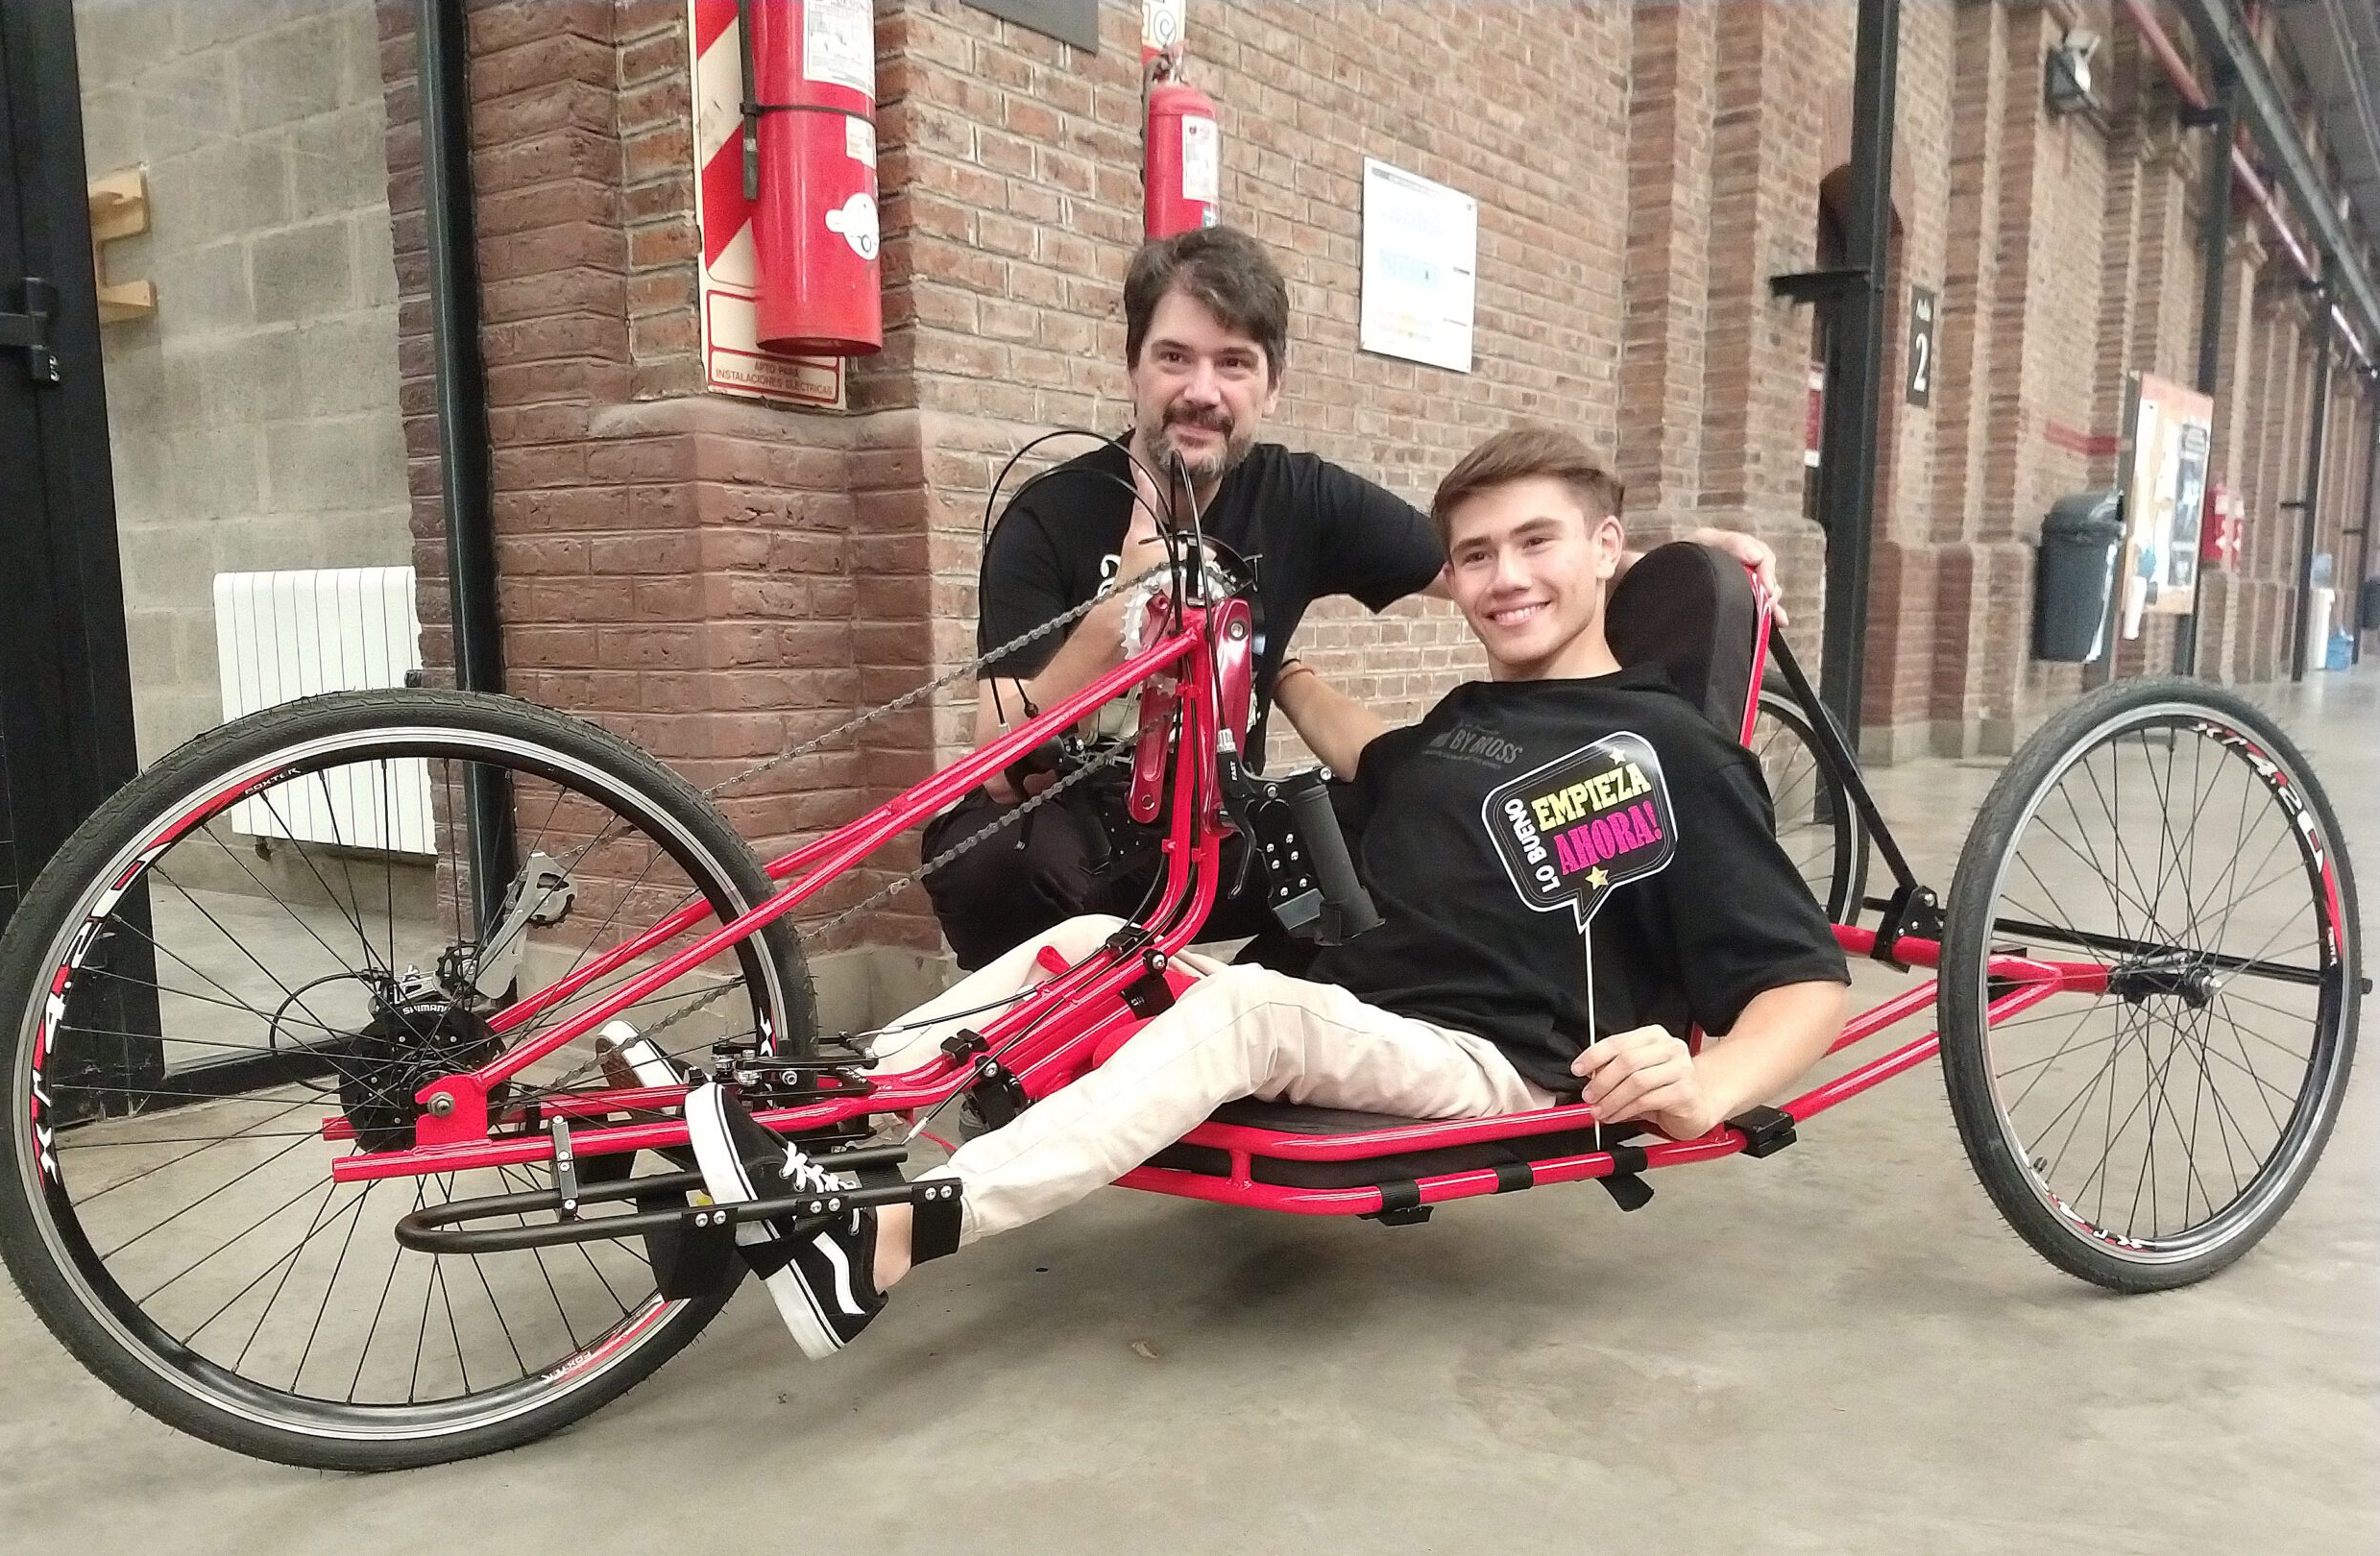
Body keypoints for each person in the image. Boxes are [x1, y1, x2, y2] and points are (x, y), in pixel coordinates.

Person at [689, 424, 1852, 1359]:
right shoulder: (1464, 725)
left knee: (1248, 1009)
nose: (1505, 580)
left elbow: (1803, 981)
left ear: (1607, 550)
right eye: (1479, 555)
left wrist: (1704, 1085)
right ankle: (809, 1122)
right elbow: (1362, 746)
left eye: (1536, 543)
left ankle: (886, 1237)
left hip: (1494, 1050)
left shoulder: (1670, 752)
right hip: (1356, 1011)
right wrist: (1278, 660)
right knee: (1095, 940)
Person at [920, 224, 1785, 970]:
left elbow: (1481, 571)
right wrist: (1108, 633)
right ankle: (1026, 1058)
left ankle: (1256, 1022)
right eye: (1175, 358)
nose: (1202, 391)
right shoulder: (1051, 511)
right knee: (980, 856)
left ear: (1272, 384)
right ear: (1134, 368)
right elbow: (992, 742)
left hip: (1220, 827)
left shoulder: (1304, 497)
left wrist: (1645, 560)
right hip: (1078, 830)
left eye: (1234, 364)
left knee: (1399, 822)